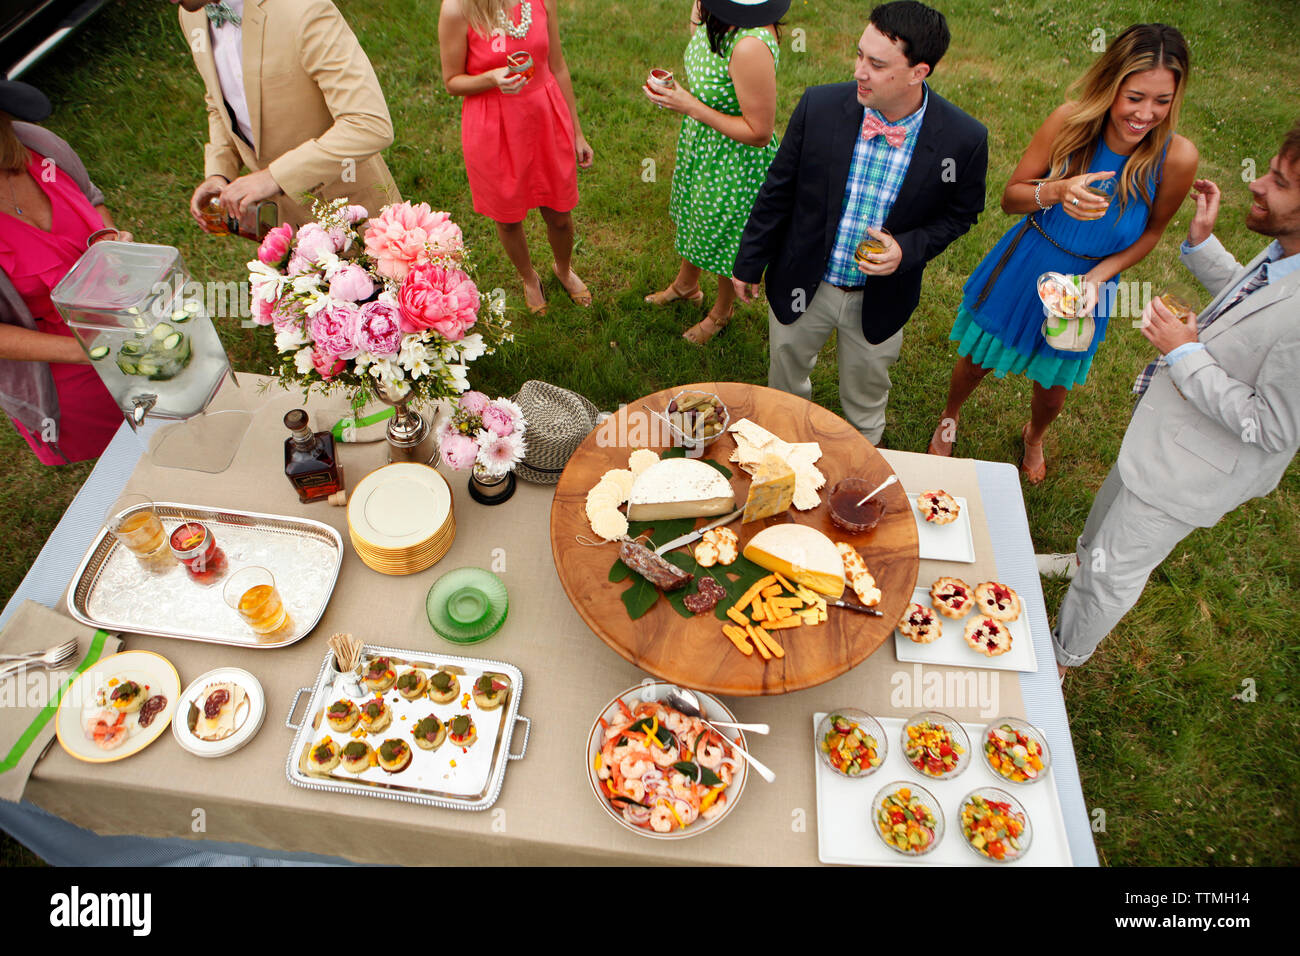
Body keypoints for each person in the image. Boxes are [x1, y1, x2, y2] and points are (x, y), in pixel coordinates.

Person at [1052, 120, 1300, 674]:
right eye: (1269, 172)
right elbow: (1251, 307)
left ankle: (1062, 658)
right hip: (1166, 433)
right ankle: (1079, 560)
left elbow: (1274, 427)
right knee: (1106, 513)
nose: (1257, 184)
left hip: (1194, 469)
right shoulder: (1286, 253)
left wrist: (1185, 353)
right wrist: (1203, 245)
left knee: (1113, 572)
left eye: (1279, 183)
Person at [927, 23, 1197, 482]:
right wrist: (1055, 191)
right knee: (976, 360)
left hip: (1090, 284)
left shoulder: (1177, 158)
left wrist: (1099, 277)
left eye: (1161, 101)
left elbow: (1152, 234)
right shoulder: (1068, 122)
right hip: (1029, 259)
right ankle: (949, 416)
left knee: (1053, 387)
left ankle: (1034, 435)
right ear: (1110, 85)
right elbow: (1011, 198)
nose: (1145, 114)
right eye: (1134, 97)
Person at [733, 1, 987, 445]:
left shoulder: (963, 139)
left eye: (877, 64)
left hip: (880, 298)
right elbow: (779, 188)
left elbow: (961, 214)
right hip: (803, 278)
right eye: (859, 55)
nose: (859, 71)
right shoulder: (820, 106)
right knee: (785, 373)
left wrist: (907, 248)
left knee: (866, 392)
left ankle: (863, 452)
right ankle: (781, 444)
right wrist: (750, 260)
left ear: (918, 72)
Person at [173, 0, 399, 231]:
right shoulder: (192, 15)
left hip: (354, 213)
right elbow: (218, 102)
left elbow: (368, 124)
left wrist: (274, 178)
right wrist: (219, 172)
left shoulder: (304, 7)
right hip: (284, 227)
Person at [0, 81, 131, 464]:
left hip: (128, 322)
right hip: (61, 369)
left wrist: (108, 240)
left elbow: (91, 198)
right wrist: (88, 351)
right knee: (129, 467)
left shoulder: (38, 145)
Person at [642, 0, 786, 345]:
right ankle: (686, 285)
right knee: (697, 216)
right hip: (705, 144)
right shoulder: (713, 13)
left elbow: (759, 132)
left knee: (726, 237)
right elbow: (699, 37)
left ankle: (722, 311)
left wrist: (689, 105)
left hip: (735, 160)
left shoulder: (750, 46)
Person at [439, 0, 594, 315]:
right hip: (493, 126)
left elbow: (557, 66)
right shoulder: (458, 8)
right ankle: (528, 277)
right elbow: (452, 81)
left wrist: (577, 132)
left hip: (545, 117)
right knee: (508, 219)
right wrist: (492, 78)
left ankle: (563, 269)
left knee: (560, 215)